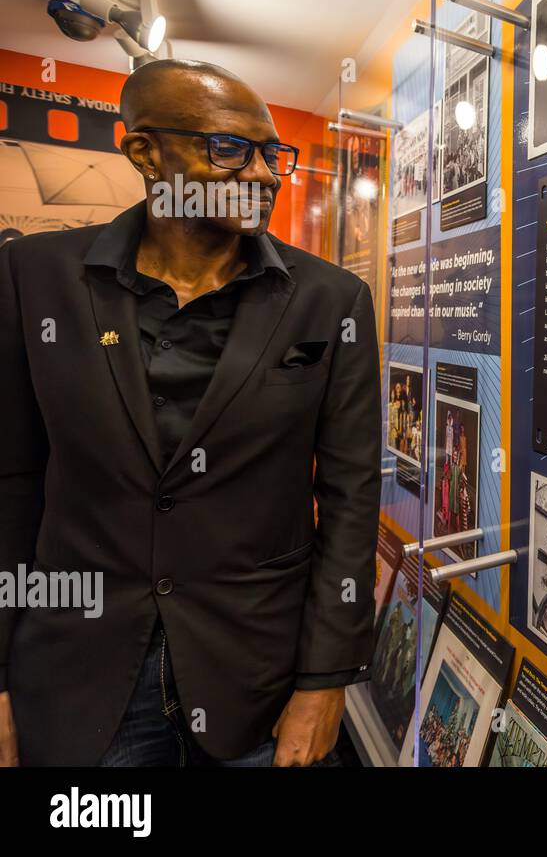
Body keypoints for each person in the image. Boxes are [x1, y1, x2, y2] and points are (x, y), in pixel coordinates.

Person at [0, 59, 381, 766]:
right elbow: (13, 481)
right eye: (231, 149)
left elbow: (352, 500)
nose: (264, 174)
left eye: (273, 154)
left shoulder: (331, 302)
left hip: (256, 682)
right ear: (145, 150)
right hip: (81, 678)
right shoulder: (34, 279)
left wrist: (328, 679)